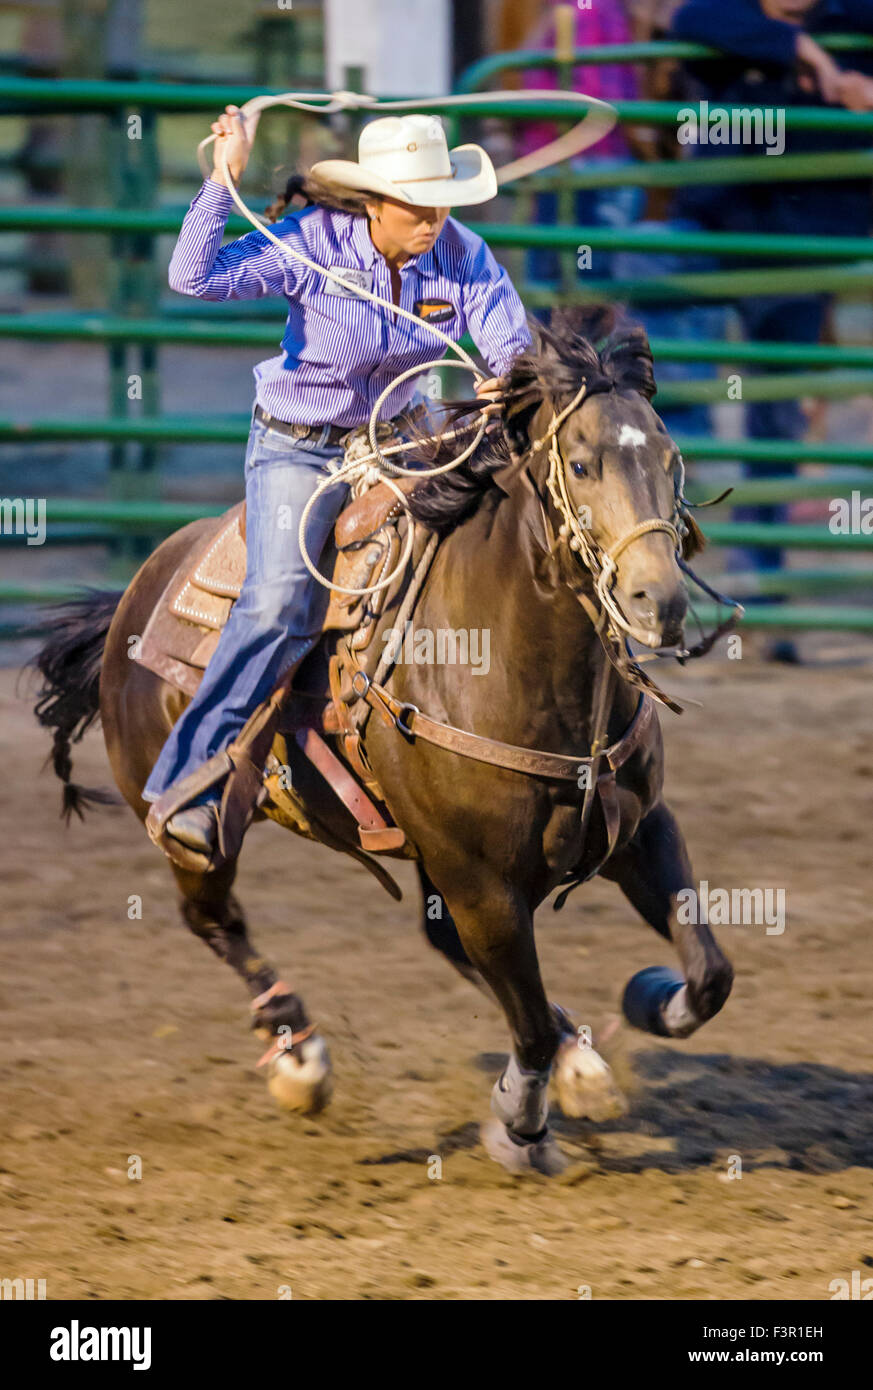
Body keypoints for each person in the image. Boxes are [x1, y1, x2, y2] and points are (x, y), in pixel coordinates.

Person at [143, 107, 531, 859]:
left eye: (440, 198)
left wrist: (506, 381)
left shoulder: (463, 253)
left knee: (490, 547)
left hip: (405, 435)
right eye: (415, 203)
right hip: (302, 447)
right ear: (373, 201)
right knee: (281, 598)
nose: (432, 217)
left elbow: (507, 343)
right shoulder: (307, 244)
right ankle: (187, 778)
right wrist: (222, 179)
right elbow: (192, 276)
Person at [669, 0, 873, 653]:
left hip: (800, 237)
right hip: (717, 224)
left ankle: (759, 593)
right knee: (656, 386)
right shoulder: (730, 15)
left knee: (774, 419)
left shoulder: (853, 13)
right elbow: (689, 17)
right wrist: (806, 52)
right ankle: (655, 576)